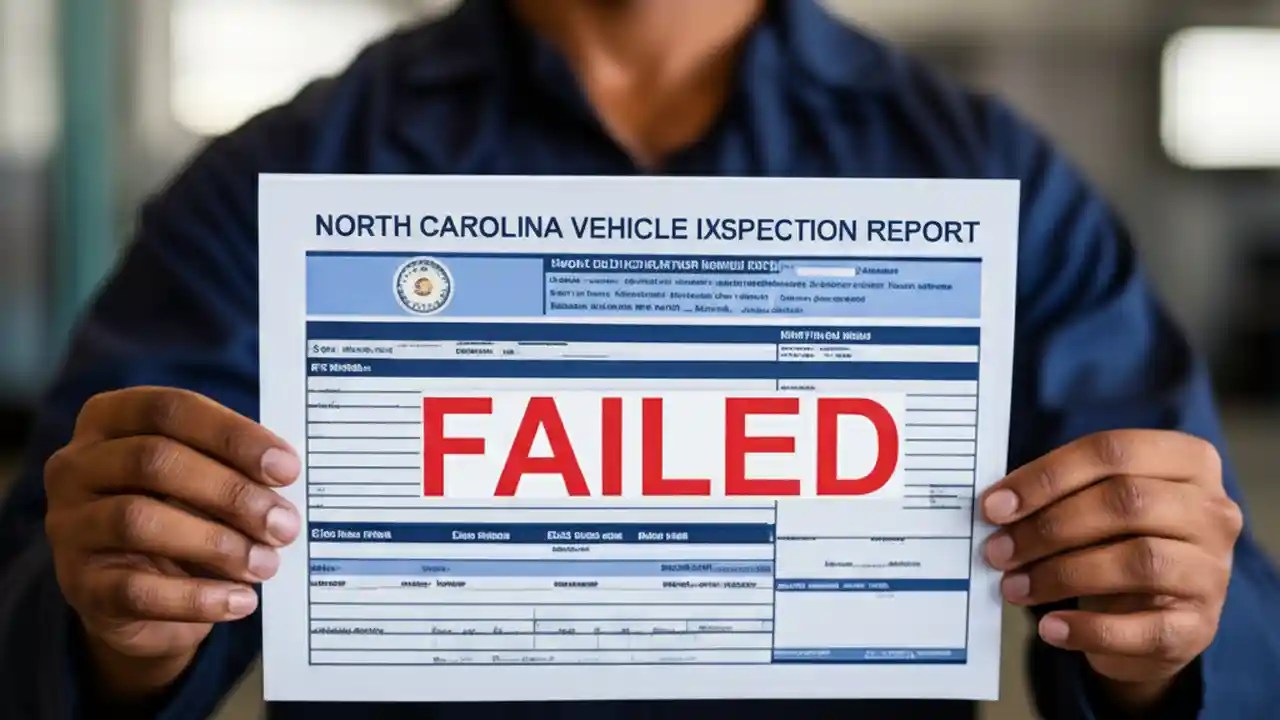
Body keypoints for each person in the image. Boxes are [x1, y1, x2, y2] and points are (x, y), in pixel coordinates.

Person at [1, 0, 1277, 718]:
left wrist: (1161, 632)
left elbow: (1212, 614)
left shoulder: (992, 181)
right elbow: (47, 620)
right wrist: (123, 622)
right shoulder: (274, 183)